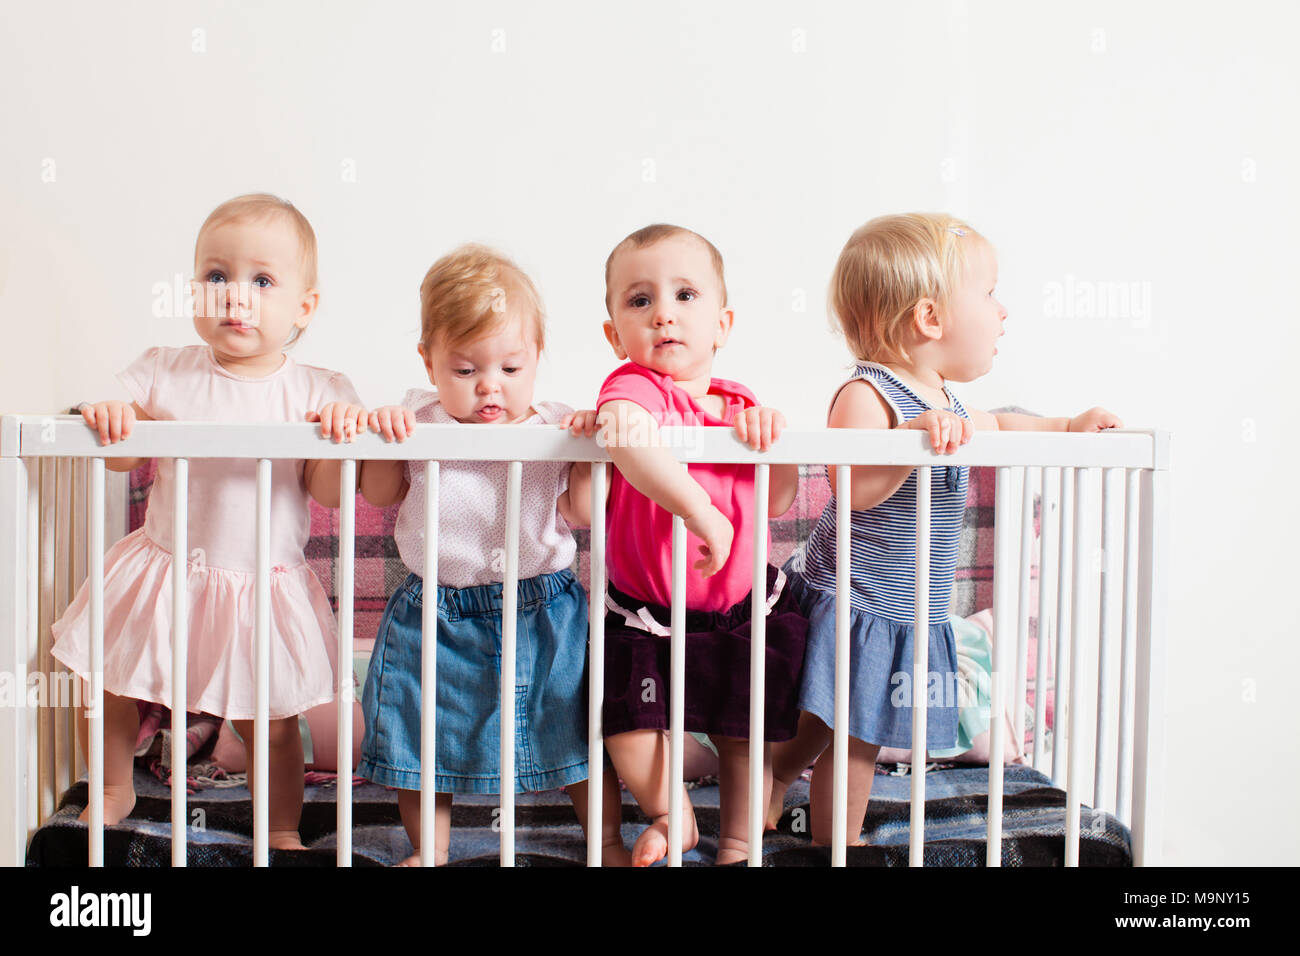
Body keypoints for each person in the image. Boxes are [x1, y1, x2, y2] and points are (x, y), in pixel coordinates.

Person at [766, 212, 1122, 847]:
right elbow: (854, 488)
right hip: (854, 598)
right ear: (930, 319)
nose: (1003, 310)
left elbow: (1006, 427)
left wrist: (1068, 425)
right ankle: (836, 848)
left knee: (830, 724)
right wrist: (911, 442)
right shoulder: (869, 394)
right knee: (855, 738)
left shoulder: (950, 401)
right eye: (988, 293)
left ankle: (773, 776)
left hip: (904, 607)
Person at [52, 194, 365, 850]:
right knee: (114, 682)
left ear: (304, 307)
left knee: (271, 722)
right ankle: (113, 786)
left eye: (262, 281)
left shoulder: (317, 390)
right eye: (216, 278)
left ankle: (278, 825)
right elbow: (124, 454)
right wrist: (115, 418)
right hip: (166, 568)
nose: (235, 298)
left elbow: (330, 492)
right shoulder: (167, 370)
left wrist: (338, 440)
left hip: (258, 585)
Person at [355, 243, 627, 865]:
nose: (489, 388)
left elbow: (581, 513)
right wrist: (383, 437)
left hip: (542, 608)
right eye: (465, 369)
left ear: (536, 358)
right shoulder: (417, 421)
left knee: (574, 730)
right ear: (428, 362)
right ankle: (432, 848)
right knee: (420, 740)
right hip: (436, 612)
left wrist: (589, 456)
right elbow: (376, 493)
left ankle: (606, 841)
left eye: (509, 367)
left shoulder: (558, 427)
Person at [594, 224, 808, 865]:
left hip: (736, 608)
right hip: (649, 613)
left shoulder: (740, 406)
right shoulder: (632, 393)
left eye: (686, 295)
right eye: (639, 301)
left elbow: (773, 502)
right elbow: (626, 437)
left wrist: (776, 445)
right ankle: (673, 815)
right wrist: (700, 512)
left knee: (742, 734)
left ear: (722, 323)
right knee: (630, 729)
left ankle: (740, 842)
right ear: (614, 335)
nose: (663, 313)